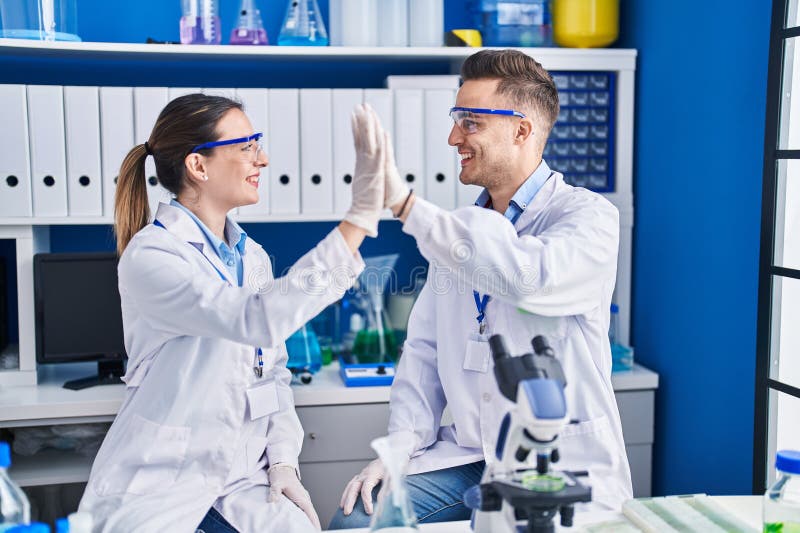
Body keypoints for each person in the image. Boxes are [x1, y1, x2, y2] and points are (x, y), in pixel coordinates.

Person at [329, 49, 632, 529]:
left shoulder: (587, 218)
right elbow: (424, 351)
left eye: (469, 122)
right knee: (356, 522)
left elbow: (525, 278)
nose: (453, 138)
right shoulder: (459, 231)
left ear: (521, 130)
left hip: (553, 463)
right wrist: (400, 449)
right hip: (470, 453)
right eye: (456, 119)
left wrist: (406, 204)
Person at [78, 95, 385, 532]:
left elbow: (272, 371)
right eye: (247, 147)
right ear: (198, 167)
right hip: (162, 483)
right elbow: (253, 319)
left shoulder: (251, 257)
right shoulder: (152, 256)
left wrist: (282, 460)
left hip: (241, 481)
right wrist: (357, 221)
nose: (262, 158)